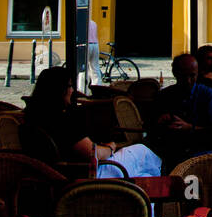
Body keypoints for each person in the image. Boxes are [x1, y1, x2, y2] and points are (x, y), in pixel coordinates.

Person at [22, 67, 162, 179]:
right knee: (142, 152)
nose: (72, 90)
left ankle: (146, 208)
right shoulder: (60, 121)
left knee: (144, 176)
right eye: (70, 86)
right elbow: (92, 153)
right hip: (86, 175)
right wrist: (110, 147)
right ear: (61, 90)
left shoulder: (33, 117)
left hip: (54, 175)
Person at [150, 52, 212, 169]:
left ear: (198, 73)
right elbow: (150, 128)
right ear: (175, 74)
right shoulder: (164, 96)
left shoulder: (207, 95)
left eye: (192, 76)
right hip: (170, 153)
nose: (188, 81)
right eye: (184, 76)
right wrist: (160, 121)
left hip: (200, 153)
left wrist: (189, 128)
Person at [86, 17, 101, 82]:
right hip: (95, 44)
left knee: (83, 69)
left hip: (87, 45)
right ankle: (97, 86)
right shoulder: (94, 23)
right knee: (95, 68)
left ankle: (82, 88)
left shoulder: (82, 23)